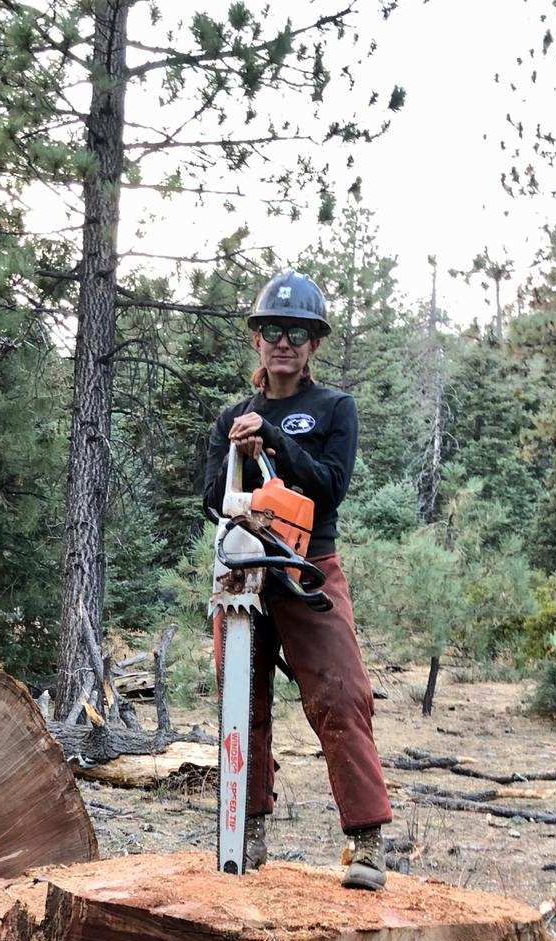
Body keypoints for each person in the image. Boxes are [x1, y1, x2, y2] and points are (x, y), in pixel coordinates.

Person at [203, 268, 391, 890]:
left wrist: (277, 442)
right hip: (240, 573)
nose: (284, 342)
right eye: (273, 330)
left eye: (298, 332)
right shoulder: (233, 415)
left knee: (340, 695)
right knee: (242, 703)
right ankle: (245, 831)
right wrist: (243, 453)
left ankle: (365, 841)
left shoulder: (334, 408)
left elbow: (331, 485)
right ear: (257, 338)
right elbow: (211, 498)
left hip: (308, 568)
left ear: (313, 343)